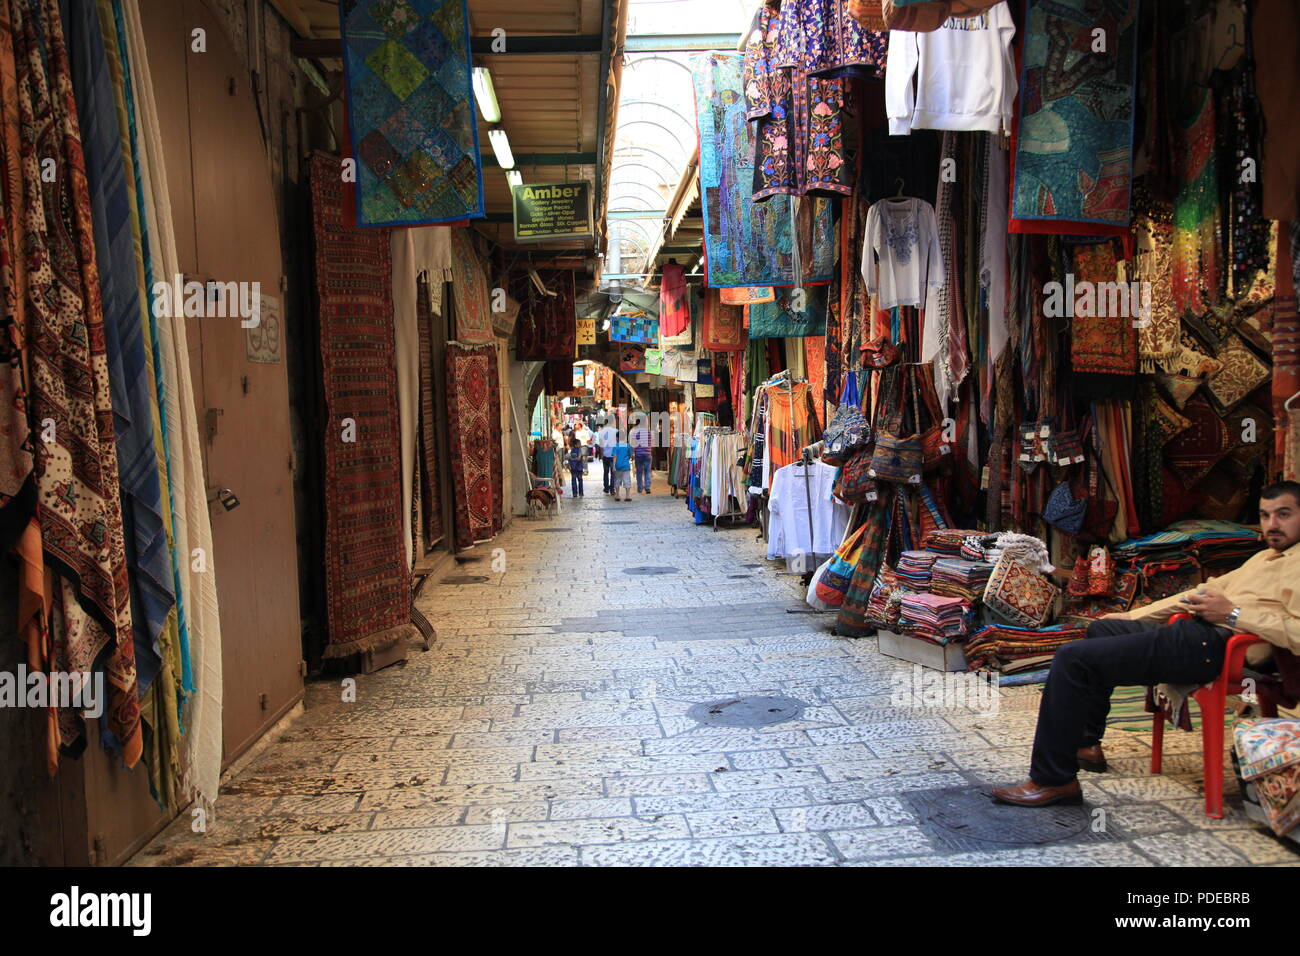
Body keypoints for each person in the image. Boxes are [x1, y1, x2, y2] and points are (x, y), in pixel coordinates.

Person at [991, 482, 1300, 808]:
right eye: (1265, 516)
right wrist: (1128, 618)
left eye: (1283, 515)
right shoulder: (1264, 558)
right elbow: (1192, 597)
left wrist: (1234, 614)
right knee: (1103, 630)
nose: (1272, 525)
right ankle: (1085, 745)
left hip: (1220, 646)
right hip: (1199, 631)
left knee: (1072, 659)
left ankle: (1053, 781)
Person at [597, 415, 620, 496]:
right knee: (613, 472)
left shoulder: (601, 432)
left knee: (606, 472)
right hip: (614, 455)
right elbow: (618, 443)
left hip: (605, 455)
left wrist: (602, 455)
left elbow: (601, 445)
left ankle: (606, 488)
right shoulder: (616, 431)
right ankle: (612, 489)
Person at [630, 414, 653, 494]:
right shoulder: (649, 432)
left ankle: (640, 488)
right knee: (647, 471)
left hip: (638, 454)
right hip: (647, 454)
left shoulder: (635, 432)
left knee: (639, 472)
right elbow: (652, 443)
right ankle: (647, 487)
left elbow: (633, 444)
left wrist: (633, 453)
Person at [611, 435, 634, 502]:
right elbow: (631, 455)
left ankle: (617, 495)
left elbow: (614, 456)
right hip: (626, 466)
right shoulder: (627, 446)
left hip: (618, 466)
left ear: (617, 438)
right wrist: (630, 458)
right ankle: (627, 496)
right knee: (627, 480)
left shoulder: (616, 446)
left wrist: (614, 466)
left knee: (617, 480)